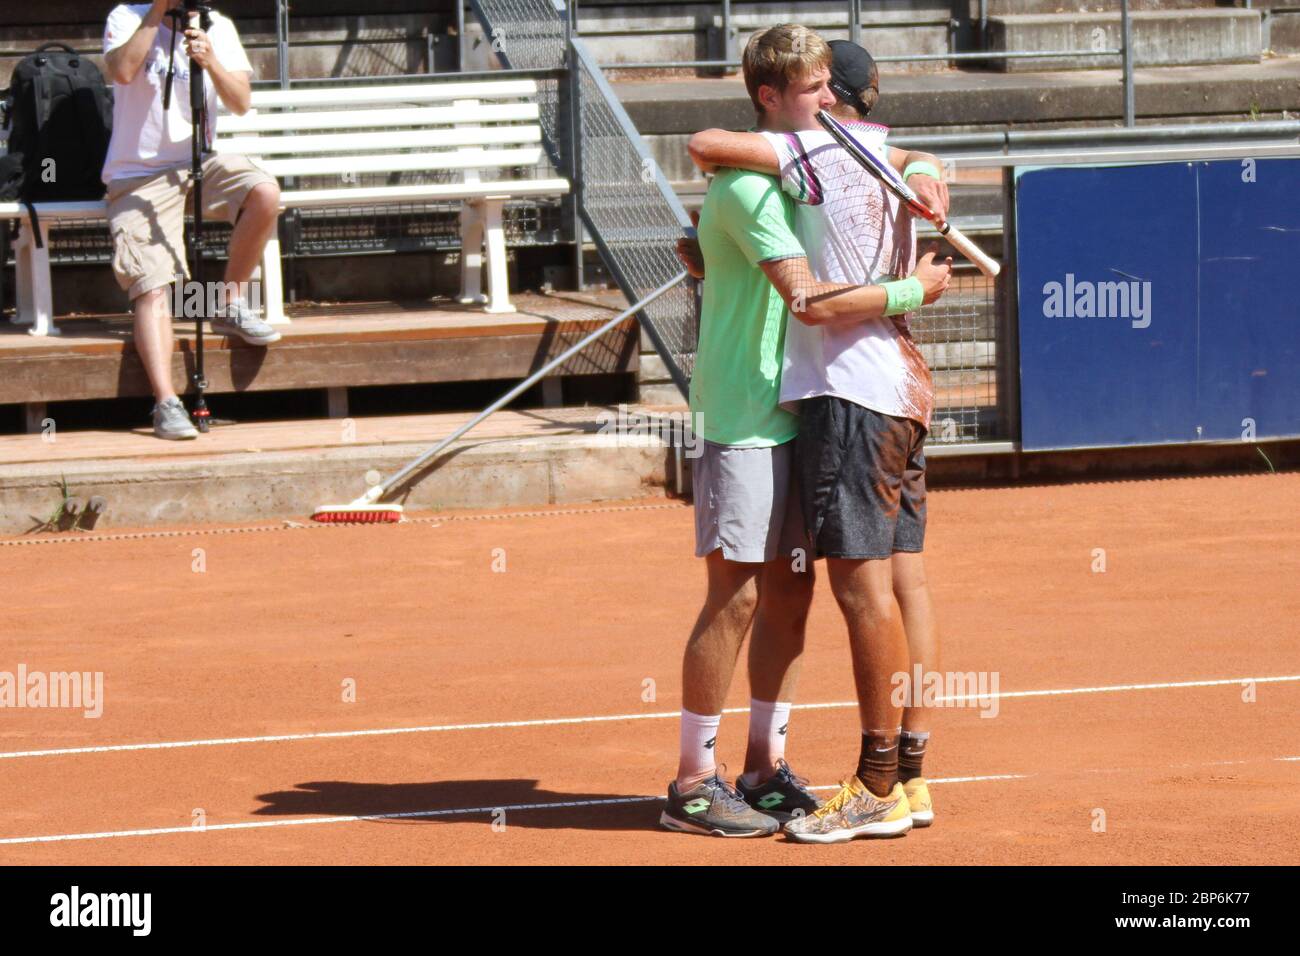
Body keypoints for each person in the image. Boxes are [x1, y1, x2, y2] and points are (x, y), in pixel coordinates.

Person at [660, 24, 951, 838]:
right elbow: (807, 299)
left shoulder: (807, 169)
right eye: (813, 89)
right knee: (738, 593)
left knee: (791, 592)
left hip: (803, 410)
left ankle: (765, 767)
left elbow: (903, 157)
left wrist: (924, 170)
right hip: (744, 415)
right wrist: (910, 289)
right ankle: (693, 781)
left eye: (832, 87)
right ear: (770, 98)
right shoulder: (751, 186)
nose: (830, 101)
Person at [102, 1, 282, 440]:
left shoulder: (218, 25)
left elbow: (240, 102)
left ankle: (227, 302)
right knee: (153, 283)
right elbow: (121, 72)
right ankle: (166, 403)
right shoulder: (127, 17)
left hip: (199, 164)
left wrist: (210, 59)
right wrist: (158, 12)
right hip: (138, 175)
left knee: (264, 192)